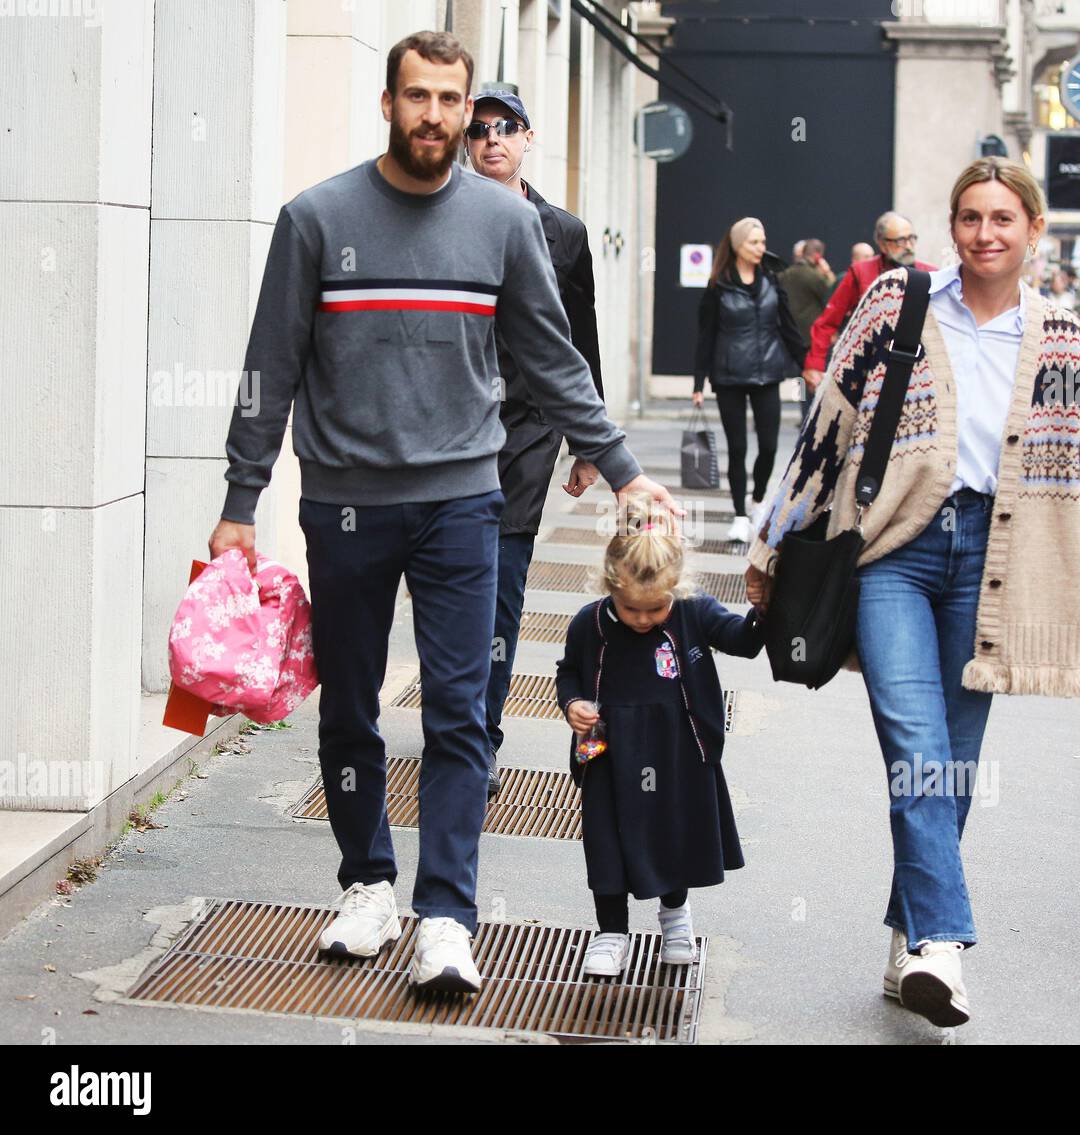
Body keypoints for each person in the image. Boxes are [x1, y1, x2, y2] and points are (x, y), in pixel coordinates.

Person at [209, 30, 679, 996]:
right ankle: (367, 883)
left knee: (463, 713)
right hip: (345, 505)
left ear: (470, 112)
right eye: (416, 97)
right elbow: (269, 369)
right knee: (350, 708)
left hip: (467, 502)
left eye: (450, 101)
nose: (435, 116)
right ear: (388, 104)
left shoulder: (503, 227)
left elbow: (553, 362)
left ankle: (449, 915)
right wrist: (240, 500)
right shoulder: (316, 218)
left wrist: (622, 468)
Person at [745, 157, 1080, 1028]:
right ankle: (943, 940)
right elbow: (828, 423)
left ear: (1033, 231)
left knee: (953, 759)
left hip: (994, 556)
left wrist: (1061, 588)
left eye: (1004, 218)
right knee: (913, 735)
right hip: (894, 549)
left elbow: (1072, 472)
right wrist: (771, 534)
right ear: (954, 227)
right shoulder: (902, 301)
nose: (986, 232)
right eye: (972, 217)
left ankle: (909, 936)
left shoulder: (1061, 334)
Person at [555, 494, 764, 977]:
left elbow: (743, 642)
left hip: (678, 754)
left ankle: (675, 920)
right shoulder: (590, 623)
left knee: (673, 837)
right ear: (610, 588)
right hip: (607, 754)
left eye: (656, 609)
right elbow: (568, 673)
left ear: (675, 588)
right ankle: (610, 933)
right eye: (631, 609)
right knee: (606, 842)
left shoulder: (691, 612)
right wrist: (573, 705)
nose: (644, 619)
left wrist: (763, 610)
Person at [464, 88, 603, 798]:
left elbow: (582, 334)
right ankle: (455, 720)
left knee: (501, 586)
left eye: (505, 128)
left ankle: (479, 737)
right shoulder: (438, 213)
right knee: (449, 585)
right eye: (480, 128)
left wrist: (589, 442)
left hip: (525, 428)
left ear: (528, 137)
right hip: (447, 427)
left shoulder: (564, 232)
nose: (492, 139)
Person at [692, 217, 804, 544]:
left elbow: (788, 328)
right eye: (755, 242)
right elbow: (705, 337)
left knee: (769, 446)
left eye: (763, 242)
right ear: (738, 245)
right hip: (729, 376)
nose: (762, 248)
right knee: (738, 448)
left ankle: (757, 502)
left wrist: (808, 364)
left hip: (768, 373)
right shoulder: (718, 286)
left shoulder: (772, 281)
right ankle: (740, 515)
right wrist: (698, 384)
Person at [803, 212, 937, 397]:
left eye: (911, 238)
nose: (908, 246)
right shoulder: (860, 273)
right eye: (900, 240)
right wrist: (814, 364)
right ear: (882, 243)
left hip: (918, 372)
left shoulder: (930, 274)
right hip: (868, 371)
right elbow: (827, 321)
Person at [780, 239, 837, 422]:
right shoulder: (813, 276)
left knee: (800, 380)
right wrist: (827, 272)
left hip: (791, 336)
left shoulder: (786, 275)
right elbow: (834, 293)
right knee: (814, 378)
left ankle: (802, 414)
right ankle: (812, 416)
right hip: (811, 337)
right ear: (818, 255)